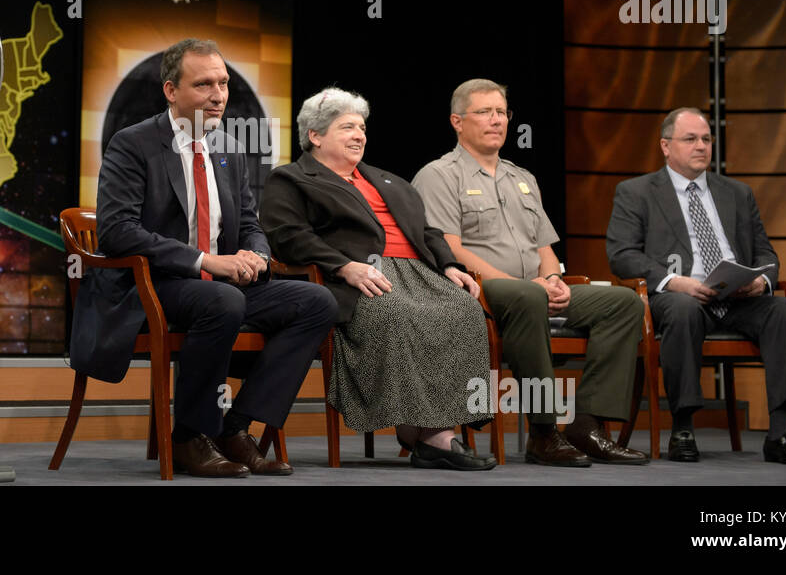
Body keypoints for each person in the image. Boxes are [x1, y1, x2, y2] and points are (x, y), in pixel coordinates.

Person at [71, 39, 337, 477]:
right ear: (171, 91)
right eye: (204, 84)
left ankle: (234, 427)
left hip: (218, 288)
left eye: (223, 83)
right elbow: (118, 232)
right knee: (224, 301)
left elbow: (250, 221)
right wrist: (204, 261)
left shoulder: (229, 147)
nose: (218, 94)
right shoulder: (133, 143)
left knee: (316, 303)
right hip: (152, 286)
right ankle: (189, 437)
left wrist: (257, 253)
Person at [412, 78, 648, 466]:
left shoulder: (523, 178)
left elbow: (546, 249)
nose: (496, 120)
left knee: (622, 303)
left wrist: (554, 281)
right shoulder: (439, 175)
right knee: (528, 296)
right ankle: (544, 432)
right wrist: (528, 286)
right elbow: (451, 249)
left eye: (502, 112)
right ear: (457, 121)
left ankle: (586, 425)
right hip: (480, 291)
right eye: (484, 112)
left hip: (534, 289)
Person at [259, 87, 496, 470]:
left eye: (363, 128)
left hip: (420, 272)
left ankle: (425, 432)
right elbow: (287, 235)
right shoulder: (291, 179)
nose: (360, 135)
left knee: (465, 311)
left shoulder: (388, 180)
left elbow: (428, 231)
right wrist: (342, 265)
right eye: (347, 127)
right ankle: (434, 435)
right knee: (397, 314)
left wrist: (450, 265)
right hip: (358, 276)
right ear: (315, 136)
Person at [606, 108, 786, 465]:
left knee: (785, 312)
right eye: (691, 139)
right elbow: (622, 255)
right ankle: (683, 428)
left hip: (738, 298)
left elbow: (765, 252)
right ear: (666, 146)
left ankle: (780, 432)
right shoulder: (636, 192)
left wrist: (761, 281)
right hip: (681, 297)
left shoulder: (738, 193)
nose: (701, 146)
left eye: (706, 139)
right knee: (683, 311)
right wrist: (674, 282)